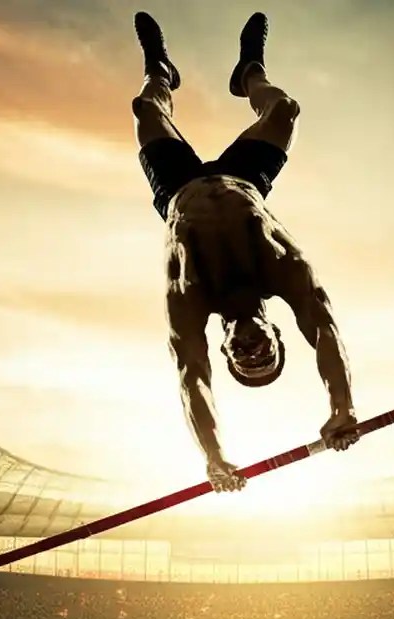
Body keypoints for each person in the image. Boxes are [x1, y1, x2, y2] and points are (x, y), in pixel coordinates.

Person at [132, 12, 360, 493]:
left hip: (176, 188)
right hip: (246, 178)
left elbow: (192, 379)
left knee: (147, 108)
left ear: (225, 349)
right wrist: (341, 406)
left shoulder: (191, 300)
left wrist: (214, 457)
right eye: (264, 354)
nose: (251, 351)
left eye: (243, 359)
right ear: (277, 333)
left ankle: (160, 70)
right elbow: (325, 330)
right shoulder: (281, 273)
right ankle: (250, 72)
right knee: (285, 109)